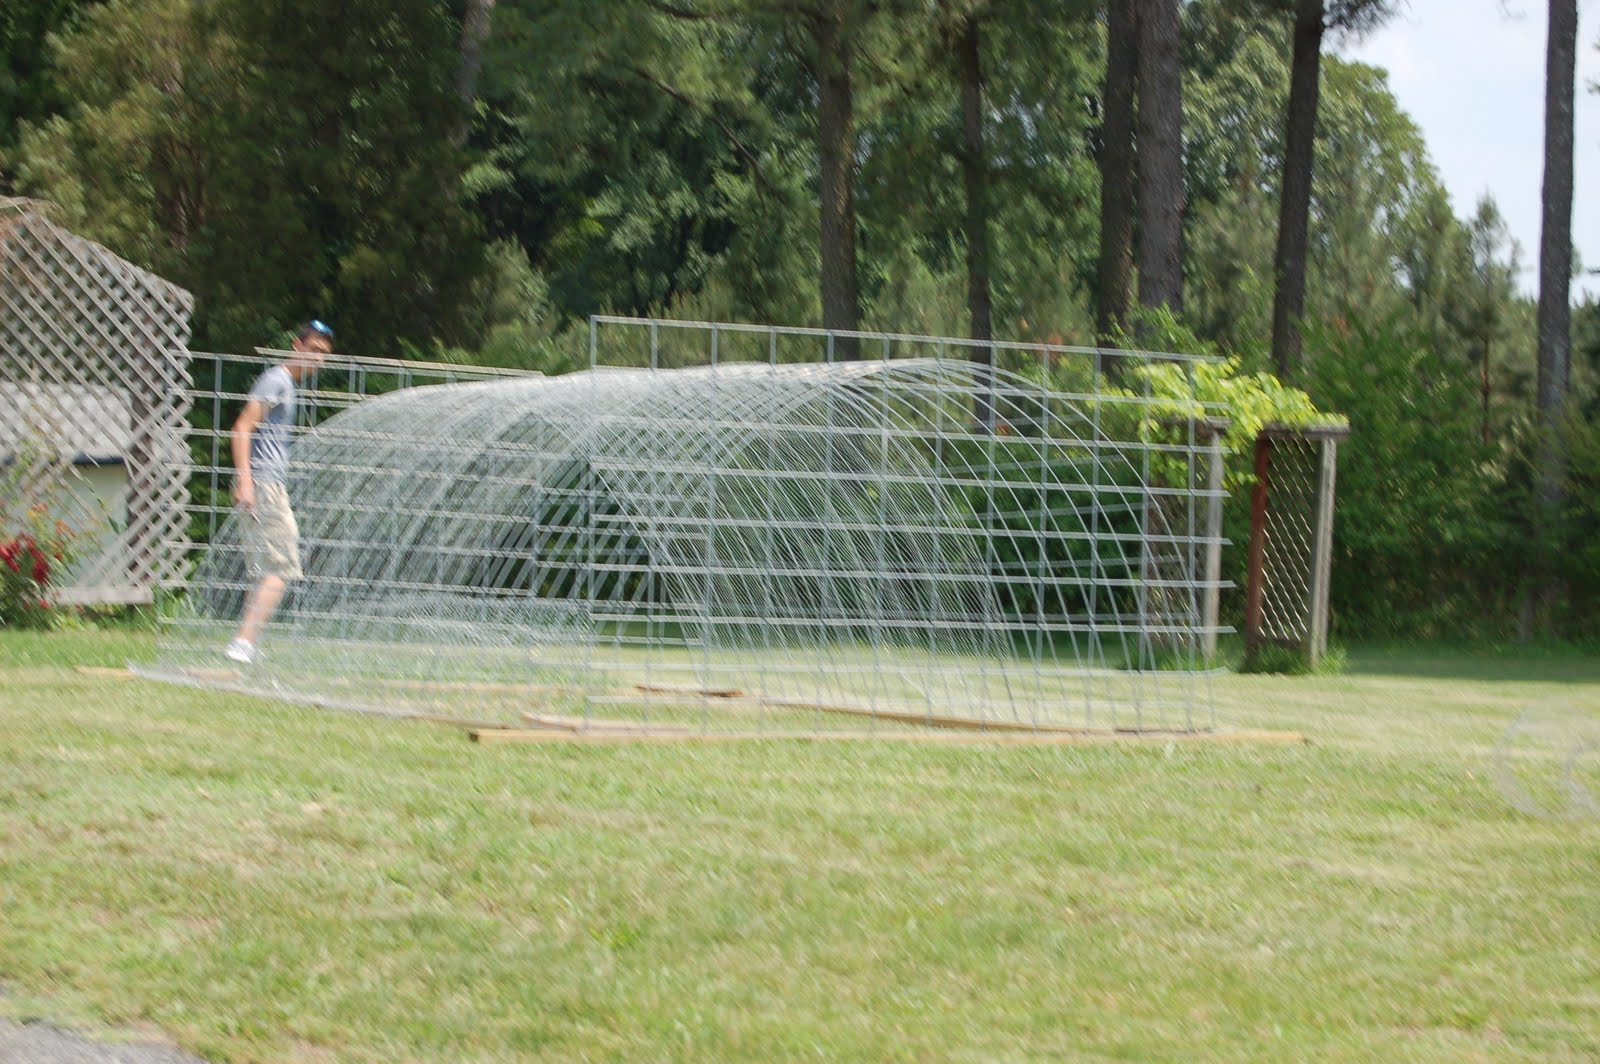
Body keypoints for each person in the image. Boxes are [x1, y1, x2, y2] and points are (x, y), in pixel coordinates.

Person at [223, 320, 334, 663]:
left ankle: (246, 644)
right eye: (314, 351)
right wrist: (246, 482)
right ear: (296, 345)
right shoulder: (277, 380)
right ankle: (244, 642)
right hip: (263, 484)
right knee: (283, 567)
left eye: (324, 356)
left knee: (262, 571)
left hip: (260, 483)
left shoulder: (286, 384)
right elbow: (242, 427)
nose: (318, 360)